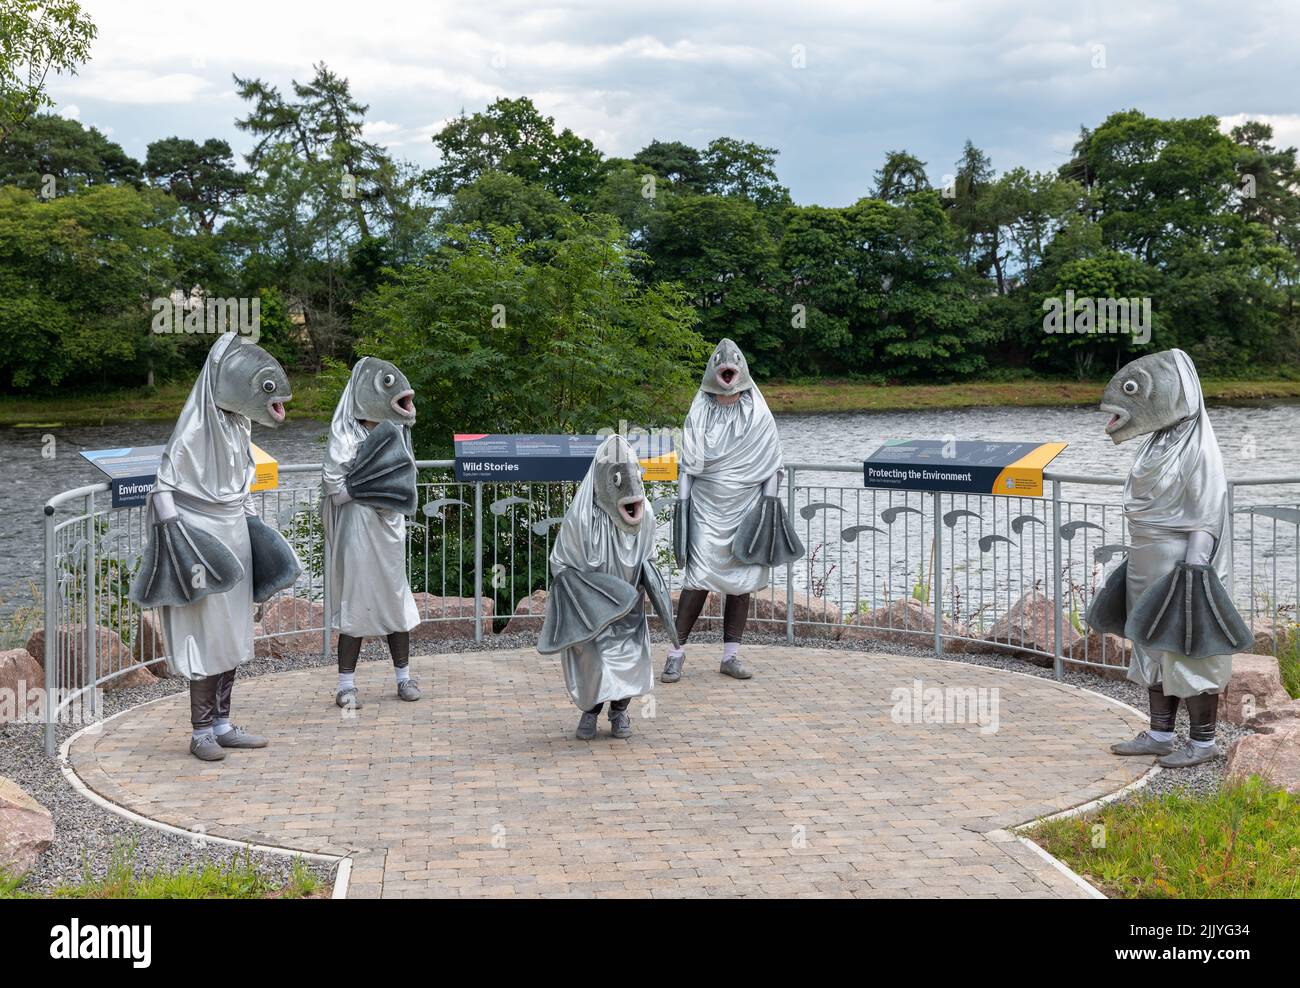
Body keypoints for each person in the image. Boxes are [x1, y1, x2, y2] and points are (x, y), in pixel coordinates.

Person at [131, 333, 298, 761]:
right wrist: (176, 538)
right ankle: (201, 730)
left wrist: (257, 524)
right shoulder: (193, 430)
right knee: (206, 634)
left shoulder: (237, 425)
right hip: (201, 542)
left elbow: (242, 486)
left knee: (232, 634)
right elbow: (163, 488)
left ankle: (223, 723)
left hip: (235, 536)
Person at [1088, 349, 1251, 768]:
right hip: (1147, 563)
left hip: (1182, 566)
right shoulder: (1159, 443)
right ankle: (1160, 733)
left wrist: (1195, 570)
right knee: (1151, 644)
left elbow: (1208, 510)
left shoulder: (1199, 450)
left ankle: (1202, 742)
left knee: (1189, 647)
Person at [663, 338, 802, 683]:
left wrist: (769, 504)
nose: (727, 367)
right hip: (706, 507)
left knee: (741, 581)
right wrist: (682, 505)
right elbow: (688, 466)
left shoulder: (758, 410)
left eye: (733, 363)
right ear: (714, 370)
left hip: (747, 506)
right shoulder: (700, 408)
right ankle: (675, 653)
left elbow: (773, 462)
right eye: (721, 364)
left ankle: (731, 655)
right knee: (698, 579)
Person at [537, 435, 676, 740]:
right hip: (593, 611)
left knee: (629, 656)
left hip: (629, 605)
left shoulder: (647, 514)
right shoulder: (582, 517)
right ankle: (590, 711)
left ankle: (619, 711)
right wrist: (589, 594)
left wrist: (642, 587)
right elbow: (561, 562)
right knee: (595, 659)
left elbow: (648, 557)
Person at [321, 357, 422, 709]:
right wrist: (370, 487)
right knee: (357, 599)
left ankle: (403, 677)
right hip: (358, 527)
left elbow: (403, 481)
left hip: (389, 526)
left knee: (395, 598)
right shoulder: (345, 436)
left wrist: (375, 489)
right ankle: (346, 686)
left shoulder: (395, 432)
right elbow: (336, 490)